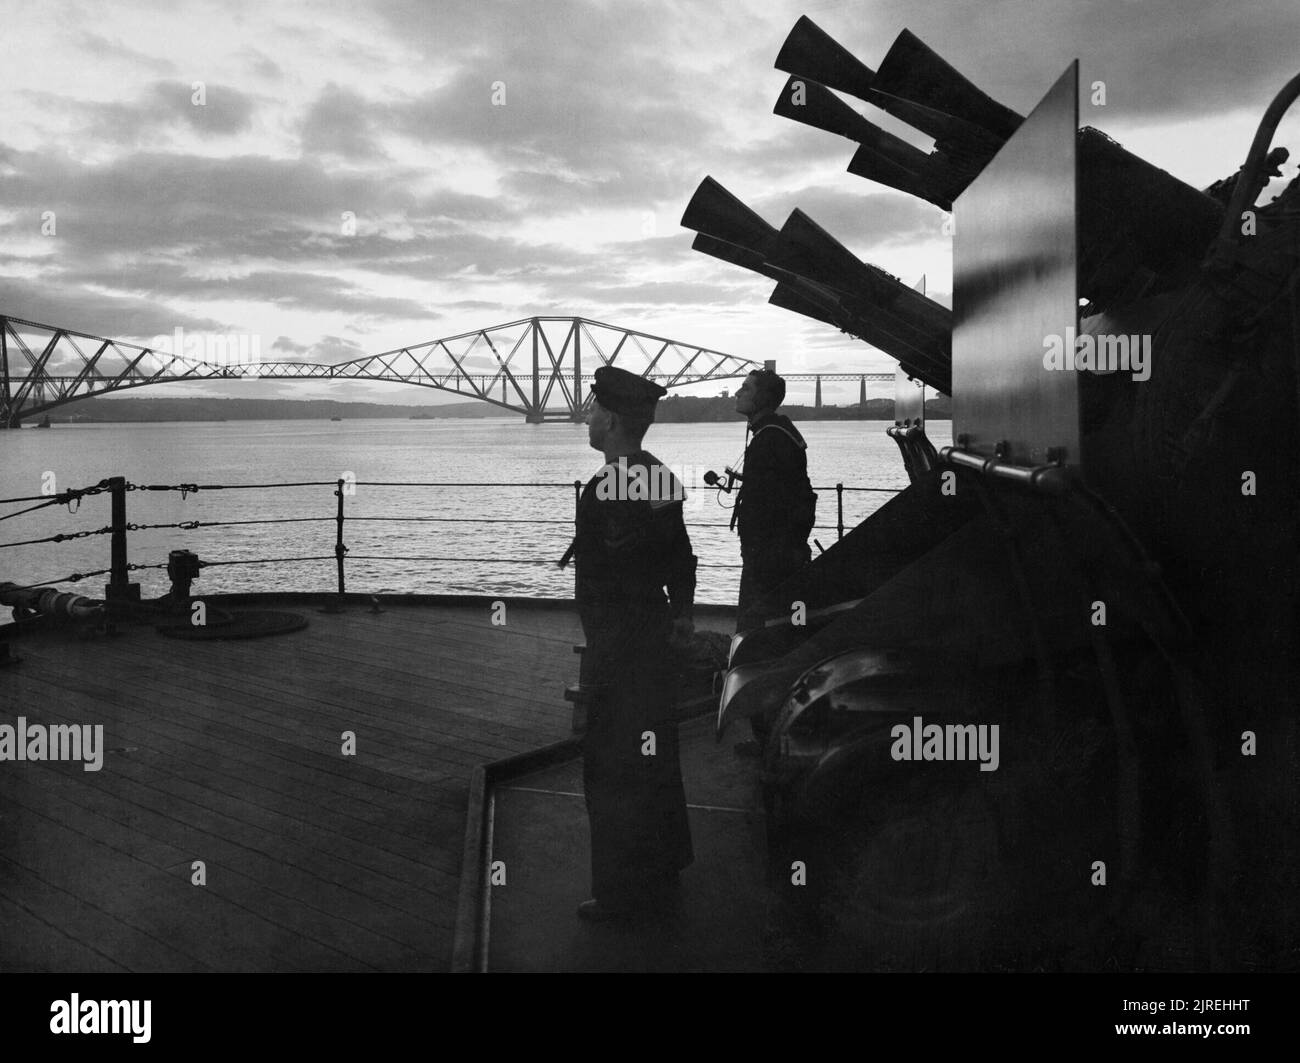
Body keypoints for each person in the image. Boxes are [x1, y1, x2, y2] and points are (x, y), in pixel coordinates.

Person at [567, 365, 697, 923]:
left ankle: (622, 897)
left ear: (613, 419)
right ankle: (663, 870)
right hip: (654, 638)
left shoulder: (606, 489)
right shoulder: (660, 477)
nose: (588, 417)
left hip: (618, 650)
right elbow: (681, 559)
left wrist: (599, 656)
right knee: (655, 759)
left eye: (594, 409)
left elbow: (604, 584)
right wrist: (683, 615)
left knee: (612, 768)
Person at [732, 368, 815, 633]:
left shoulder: (770, 439)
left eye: (746, 388)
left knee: (756, 627)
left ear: (763, 398)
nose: (738, 393)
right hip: (776, 552)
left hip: (768, 556)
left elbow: (768, 503)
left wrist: (758, 548)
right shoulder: (776, 433)